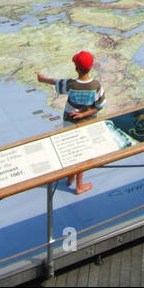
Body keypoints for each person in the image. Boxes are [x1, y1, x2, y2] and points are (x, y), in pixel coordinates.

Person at [37, 50, 105, 194]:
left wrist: (42, 79)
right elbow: (99, 106)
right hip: (87, 124)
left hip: (69, 123)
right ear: (91, 67)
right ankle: (78, 184)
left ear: (76, 68)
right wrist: (84, 114)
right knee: (82, 153)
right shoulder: (96, 86)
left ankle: (71, 179)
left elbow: (54, 82)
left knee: (72, 151)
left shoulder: (70, 84)